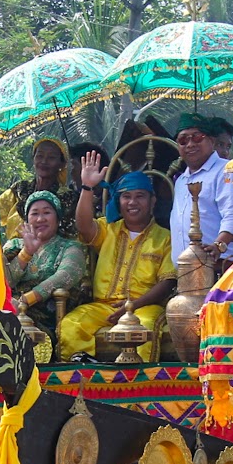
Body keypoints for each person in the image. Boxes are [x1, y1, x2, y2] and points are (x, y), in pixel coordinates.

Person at [59, 154, 176, 363]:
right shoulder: (108, 229)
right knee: (71, 325)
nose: (132, 202)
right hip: (103, 307)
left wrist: (133, 305)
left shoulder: (166, 238)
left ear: (152, 202)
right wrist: (87, 187)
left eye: (140, 196)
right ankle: (85, 378)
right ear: (119, 202)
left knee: (141, 329)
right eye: (126, 196)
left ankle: (136, 383)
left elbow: (167, 283)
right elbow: (83, 226)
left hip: (144, 308)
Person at [3, 191, 87, 329]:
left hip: (46, 316)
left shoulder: (70, 247)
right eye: (35, 213)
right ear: (26, 220)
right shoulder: (13, 246)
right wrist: (26, 253)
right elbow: (5, 281)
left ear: (58, 219)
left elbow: (66, 274)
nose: (40, 219)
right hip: (8, 308)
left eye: (47, 213)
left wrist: (25, 301)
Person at [168, 113, 233, 264]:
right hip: (187, 271)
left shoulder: (227, 171)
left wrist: (218, 246)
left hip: (220, 265)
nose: (190, 144)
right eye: (183, 140)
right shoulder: (181, 181)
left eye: (197, 137)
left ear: (211, 141)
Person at [0, 137, 77, 242]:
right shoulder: (19, 190)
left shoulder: (68, 198)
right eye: (39, 156)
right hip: (13, 251)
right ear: (33, 159)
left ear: (62, 164)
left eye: (51, 157)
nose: (44, 161)